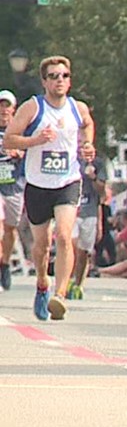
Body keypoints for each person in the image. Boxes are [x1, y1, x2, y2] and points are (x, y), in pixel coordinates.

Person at [3, 57, 97, 320]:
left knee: (65, 236)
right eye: (54, 76)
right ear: (44, 81)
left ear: (70, 80)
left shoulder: (76, 108)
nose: (60, 80)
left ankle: (60, 294)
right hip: (37, 185)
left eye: (64, 76)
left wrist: (87, 144)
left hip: (67, 182)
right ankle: (43, 282)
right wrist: (36, 140)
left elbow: (88, 124)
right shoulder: (33, 108)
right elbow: (9, 139)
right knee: (41, 246)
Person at [67, 154, 107, 300]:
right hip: (72, 211)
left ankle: (78, 284)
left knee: (84, 252)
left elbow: (102, 193)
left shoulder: (97, 163)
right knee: (71, 245)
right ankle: (67, 280)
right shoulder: (69, 159)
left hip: (90, 212)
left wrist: (93, 177)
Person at [0, 89, 25, 291]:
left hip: (14, 185)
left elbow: (32, 150)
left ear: (13, 109)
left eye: (7, 105)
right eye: (0, 105)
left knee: (10, 229)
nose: (3, 110)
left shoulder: (19, 130)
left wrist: (20, 153)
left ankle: (5, 263)